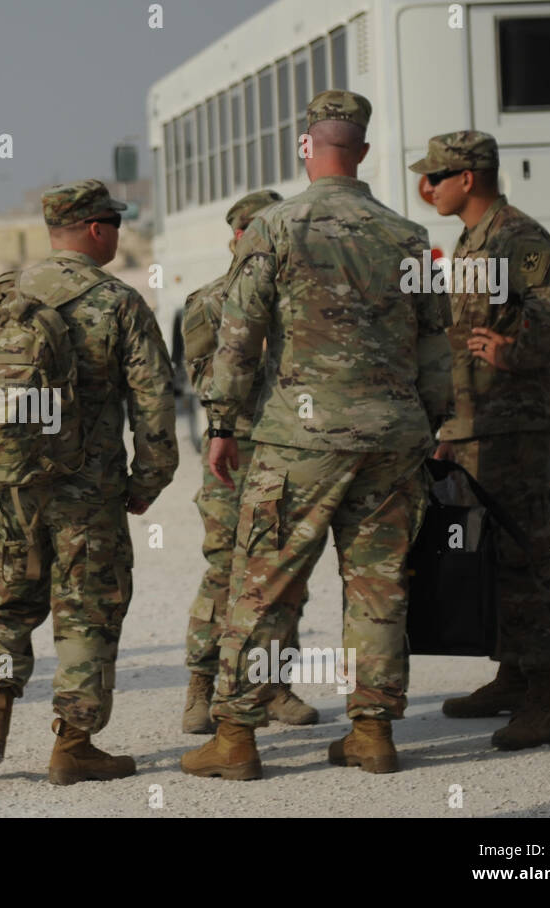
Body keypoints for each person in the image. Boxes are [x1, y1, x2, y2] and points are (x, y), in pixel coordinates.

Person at [180, 91, 452, 780]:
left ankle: (236, 738)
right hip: (391, 439)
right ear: (362, 151)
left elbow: (238, 339)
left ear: (307, 146)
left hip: (299, 441)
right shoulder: (407, 236)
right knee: (380, 586)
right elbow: (437, 347)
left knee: (263, 585)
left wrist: (220, 424)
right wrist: (431, 423)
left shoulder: (274, 228)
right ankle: (372, 731)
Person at [0, 179, 178, 784]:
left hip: (12, 486)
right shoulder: (118, 301)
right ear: (95, 229)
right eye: (114, 222)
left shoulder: (0, 293)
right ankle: (73, 747)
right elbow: (154, 403)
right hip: (90, 492)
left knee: (9, 602)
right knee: (87, 611)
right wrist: (150, 478)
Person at [410, 130, 550, 750]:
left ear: (468, 178)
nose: (426, 188)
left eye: (435, 178)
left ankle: (547, 697)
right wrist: (451, 428)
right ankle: (513, 673)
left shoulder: (518, 236)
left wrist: (518, 349)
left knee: (525, 553)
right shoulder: (472, 242)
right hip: (478, 424)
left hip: (514, 423)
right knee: (493, 555)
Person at [181, 189, 318, 734]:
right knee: (224, 571)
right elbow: (204, 380)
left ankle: (275, 685)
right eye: (249, 231)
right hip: (233, 456)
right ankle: (201, 684)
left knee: (284, 574)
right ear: (236, 239)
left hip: (288, 455)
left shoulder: (300, 299)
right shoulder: (209, 303)